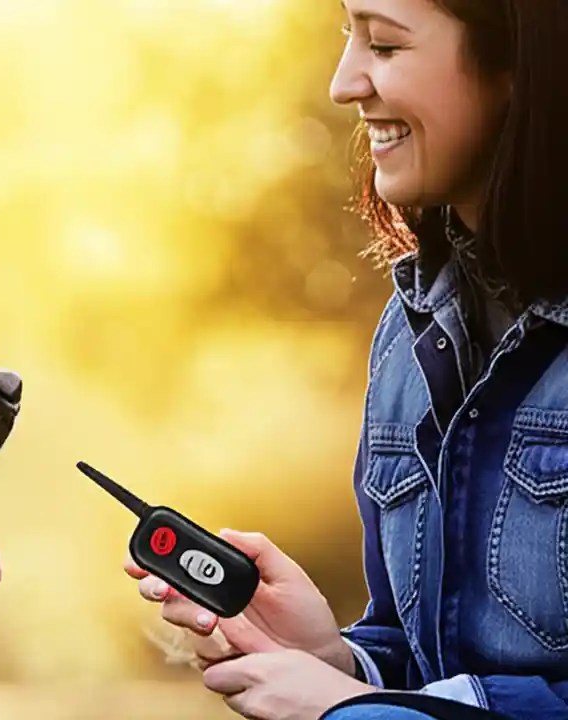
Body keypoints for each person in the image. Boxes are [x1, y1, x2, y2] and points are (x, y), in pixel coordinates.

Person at [128, 0, 568, 718]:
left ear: (519, 62)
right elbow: (420, 655)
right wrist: (337, 660)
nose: (343, 83)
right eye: (347, 36)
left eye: (385, 46)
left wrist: (366, 711)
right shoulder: (408, 332)